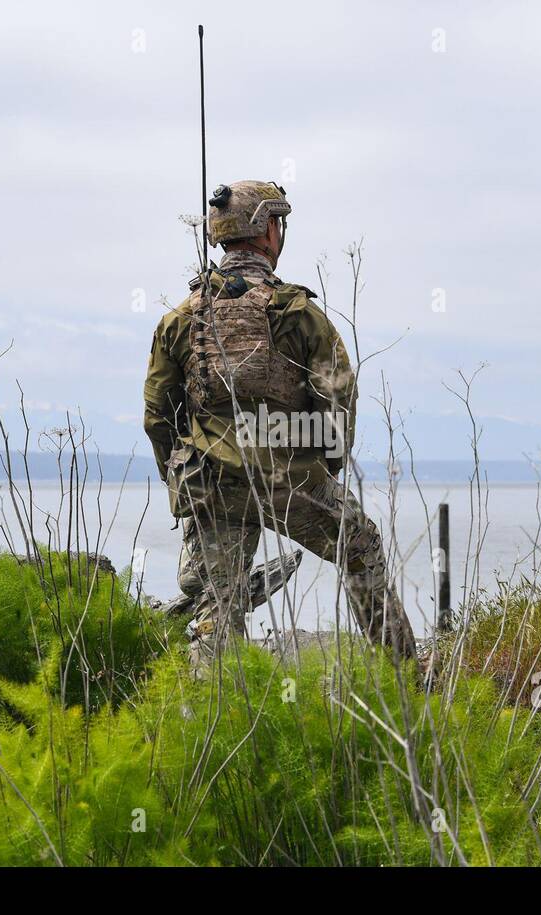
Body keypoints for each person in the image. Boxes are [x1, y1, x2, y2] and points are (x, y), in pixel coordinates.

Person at [143, 180, 417, 670]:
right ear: (269, 229)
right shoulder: (299, 315)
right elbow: (338, 403)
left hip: (213, 483)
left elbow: (157, 415)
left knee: (217, 604)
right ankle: (406, 683)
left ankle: (212, 715)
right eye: (279, 224)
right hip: (291, 481)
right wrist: (323, 467)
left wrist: (182, 475)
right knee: (362, 550)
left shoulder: (180, 319)